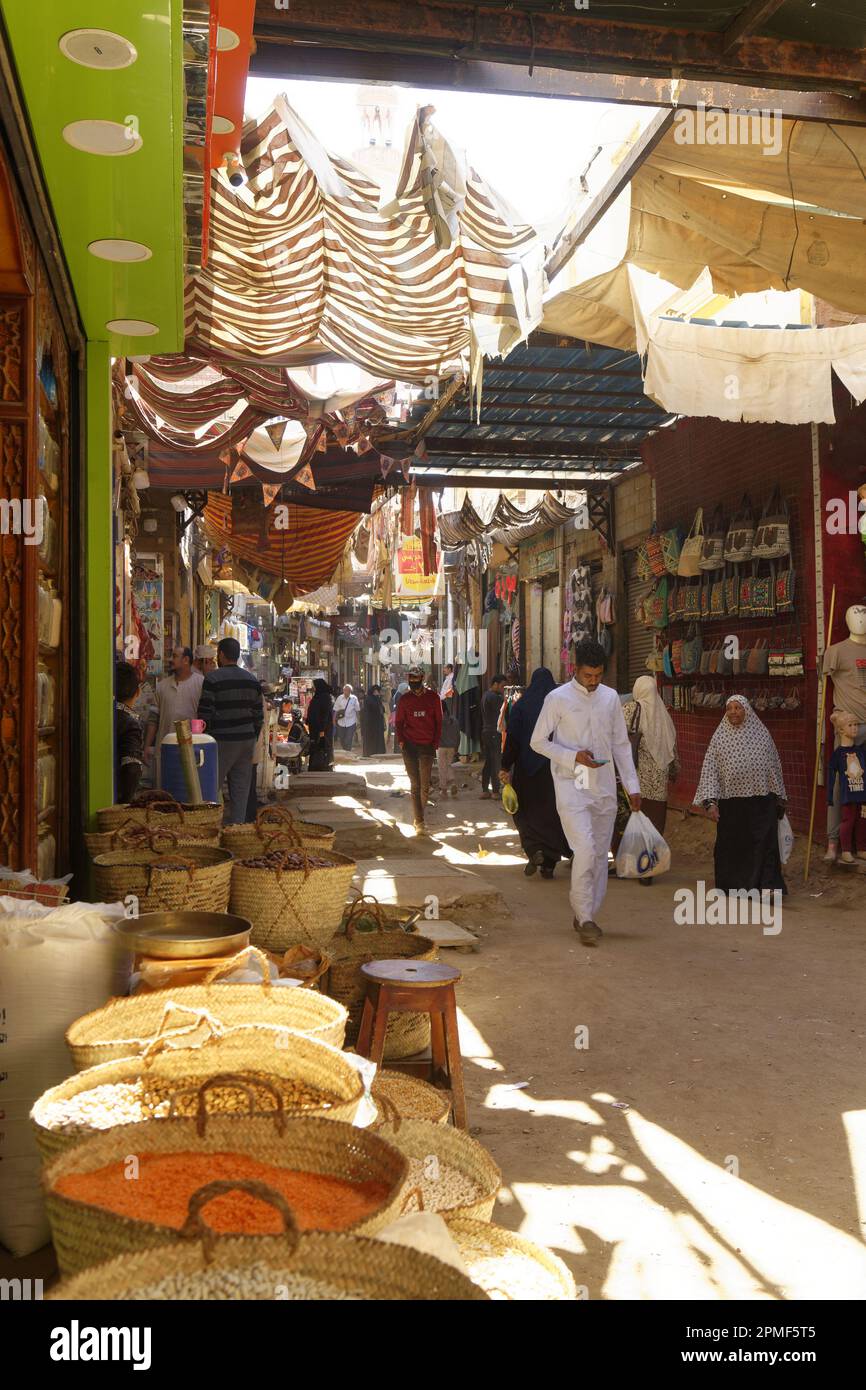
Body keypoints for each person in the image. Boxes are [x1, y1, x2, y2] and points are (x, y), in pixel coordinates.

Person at [530, 637, 641, 947]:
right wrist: (572, 756)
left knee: (599, 854)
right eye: (587, 675)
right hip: (571, 785)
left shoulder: (610, 699)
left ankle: (586, 914)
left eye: (598, 675)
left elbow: (620, 744)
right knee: (586, 849)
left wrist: (632, 786)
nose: (593, 682)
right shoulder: (557, 698)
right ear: (574, 669)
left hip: (604, 787)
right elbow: (538, 742)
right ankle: (584, 915)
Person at [693, 694, 787, 894]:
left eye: (738, 708)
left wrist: (779, 797)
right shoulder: (719, 739)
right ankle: (736, 887)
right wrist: (711, 802)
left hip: (762, 801)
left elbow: (774, 766)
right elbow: (710, 770)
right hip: (732, 804)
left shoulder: (762, 734)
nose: (733, 712)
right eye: (730, 708)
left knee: (766, 844)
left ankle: (767, 886)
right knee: (734, 846)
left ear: (747, 711)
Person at [500, 667, 570, 878]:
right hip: (554, 770)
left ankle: (533, 850)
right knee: (553, 815)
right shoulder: (560, 705)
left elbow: (512, 739)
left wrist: (505, 765)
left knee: (524, 813)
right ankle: (549, 863)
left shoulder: (522, 705)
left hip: (526, 770)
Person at [197, 637, 264, 824]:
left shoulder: (212, 679)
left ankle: (209, 827)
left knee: (211, 787)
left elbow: (204, 714)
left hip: (221, 741)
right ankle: (237, 829)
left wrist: (207, 738)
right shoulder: (252, 681)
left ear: (221, 655)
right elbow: (259, 717)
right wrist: (251, 736)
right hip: (246, 741)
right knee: (240, 791)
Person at [620, 675, 679, 887]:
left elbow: (616, 736)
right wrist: (673, 771)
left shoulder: (630, 709)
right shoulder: (664, 716)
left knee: (635, 821)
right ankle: (649, 866)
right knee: (654, 823)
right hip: (658, 781)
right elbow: (673, 747)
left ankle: (636, 863)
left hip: (635, 779)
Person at [142, 645, 204, 784]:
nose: (170, 659)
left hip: (191, 749)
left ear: (186, 660)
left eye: (175, 656)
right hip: (164, 749)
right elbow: (153, 719)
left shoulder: (200, 683)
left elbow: (204, 717)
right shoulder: (162, 686)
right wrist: (147, 746)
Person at [395, 664, 442, 833]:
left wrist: (435, 743)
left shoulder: (433, 698)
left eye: (415, 678)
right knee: (414, 785)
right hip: (409, 746)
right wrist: (401, 741)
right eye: (410, 678)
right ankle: (419, 821)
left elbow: (439, 722)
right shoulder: (404, 699)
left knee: (424, 786)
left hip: (427, 746)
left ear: (422, 679)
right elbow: (399, 723)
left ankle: (419, 815)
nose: (413, 681)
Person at [828, 710, 866, 865]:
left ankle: (862, 849)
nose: (855, 728)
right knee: (848, 820)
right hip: (848, 794)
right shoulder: (838, 754)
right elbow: (831, 776)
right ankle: (846, 850)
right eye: (851, 725)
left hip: (863, 794)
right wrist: (829, 796)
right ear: (841, 730)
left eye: (856, 724)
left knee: (863, 821)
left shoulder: (861, 751)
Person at [115, 661, 144, 803]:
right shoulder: (130, 724)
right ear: (137, 692)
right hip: (116, 795)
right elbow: (132, 768)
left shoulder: (103, 715)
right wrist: (126, 804)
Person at [480, 674, 506, 799]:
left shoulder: (486, 695)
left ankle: (485, 790)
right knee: (496, 761)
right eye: (502, 686)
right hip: (494, 733)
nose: (503, 688)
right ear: (495, 684)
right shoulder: (495, 698)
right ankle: (495, 791)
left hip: (486, 732)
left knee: (489, 761)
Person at [306, 678, 334, 771]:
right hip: (316, 728)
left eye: (314, 686)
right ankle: (316, 766)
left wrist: (322, 730)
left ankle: (322, 766)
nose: (313, 688)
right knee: (316, 747)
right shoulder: (319, 696)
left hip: (322, 729)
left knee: (322, 747)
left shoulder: (325, 697)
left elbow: (325, 714)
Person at [437, 697, 461, 798]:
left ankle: (444, 789)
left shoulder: (437, 720)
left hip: (441, 747)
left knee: (442, 768)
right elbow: (458, 735)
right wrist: (456, 747)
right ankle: (452, 783)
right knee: (448, 765)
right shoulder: (454, 720)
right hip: (452, 747)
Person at [361, 685, 387, 757]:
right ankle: (371, 752)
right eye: (377, 691)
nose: (378, 693)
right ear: (374, 691)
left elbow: (381, 709)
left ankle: (377, 752)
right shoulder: (369, 699)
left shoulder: (375, 698)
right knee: (371, 738)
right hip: (371, 723)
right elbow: (374, 709)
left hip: (376, 723)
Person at [333, 684, 361, 752]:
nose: (346, 692)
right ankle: (345, 750)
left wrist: (358, 721)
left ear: (350, 691)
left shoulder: (354, 698)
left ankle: (348, 752)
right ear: (343, 691)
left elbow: (357, 710)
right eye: (345, 690)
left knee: (348, 739)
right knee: (342, 739)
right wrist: (334, 720)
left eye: (348, 690)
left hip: (351, 722)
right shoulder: (339, 698)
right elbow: (336, 709)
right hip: (341, 722)